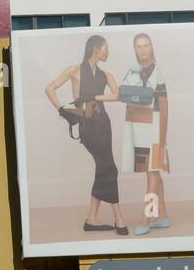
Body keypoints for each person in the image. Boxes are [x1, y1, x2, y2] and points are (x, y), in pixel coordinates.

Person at [44, 35, 128, 235]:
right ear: (95, 50)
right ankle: (119, 219)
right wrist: (63, 111)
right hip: (87, 124)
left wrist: (93, 96)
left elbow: (118, 95)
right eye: (106, 48)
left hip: (104, 124)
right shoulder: (74, 70)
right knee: (109, 169)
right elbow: (50, 89)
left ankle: (92, 220)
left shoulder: (106, 75)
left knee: (104, 168)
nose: (108, 52)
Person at [119, 33, 171, 235]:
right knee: (154, 172)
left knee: (152, 171)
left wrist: (163, 138)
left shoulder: (158, 73)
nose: (142, 49)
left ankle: (148, 216)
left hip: (153, 129)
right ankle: (163, 215)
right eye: (139, 46)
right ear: (135, 49)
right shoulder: (132, 72)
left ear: (151, 47)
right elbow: (123, 94)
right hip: (137, 127)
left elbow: (165, 107)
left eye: (146, 45)